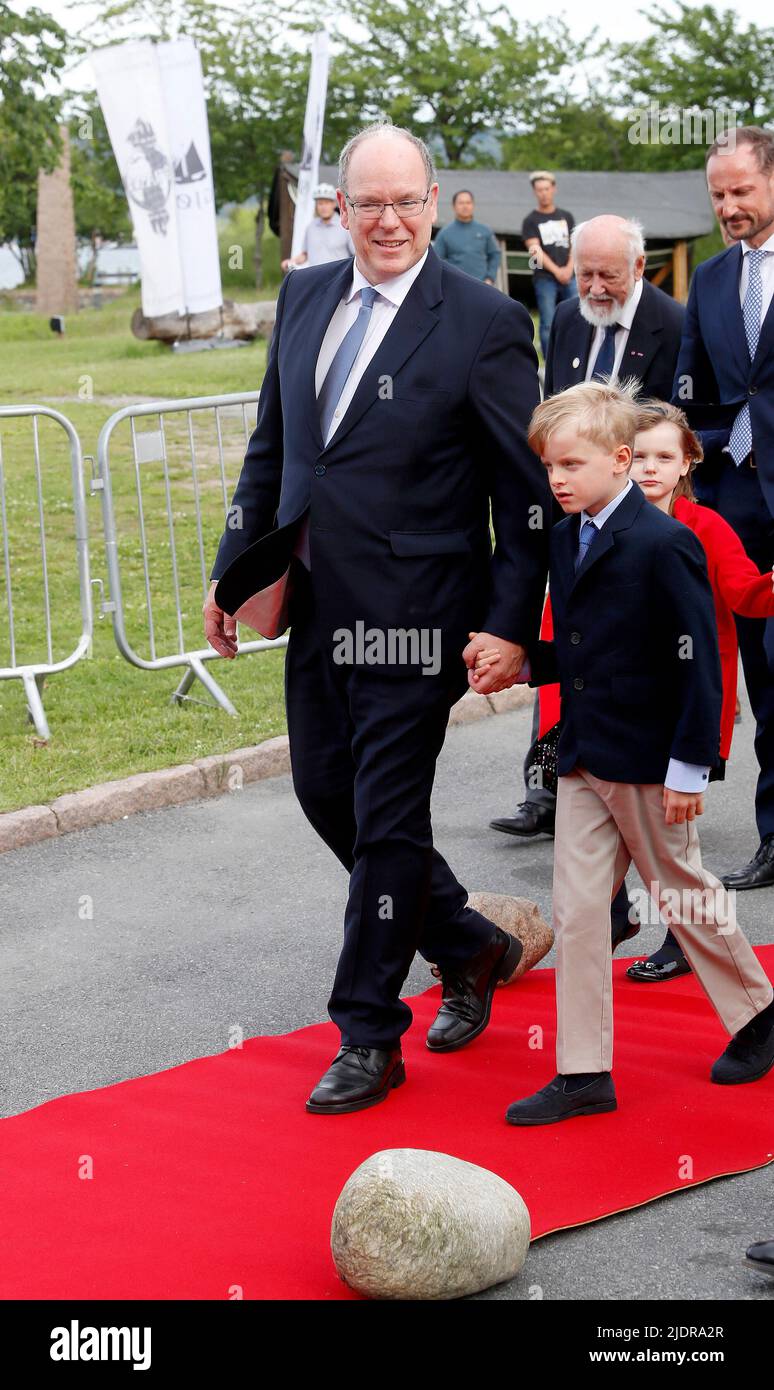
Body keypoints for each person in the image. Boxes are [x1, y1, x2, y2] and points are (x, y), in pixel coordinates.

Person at [203, 121, 550, 1116]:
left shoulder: (483, 321)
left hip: (420, 616)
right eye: (369, 203)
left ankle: (368, 1030)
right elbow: (274, 454)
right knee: (327, 796)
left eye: (407, 201)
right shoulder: (307, 294)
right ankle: (468, 938)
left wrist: (509, 623)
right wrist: (233, 574)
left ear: (434, 204)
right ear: (340, 209)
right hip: (316, 607)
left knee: (388, 815)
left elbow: (521, 494)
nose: (389, 220)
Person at [475, 380, 774, 1125]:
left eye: (571, 465)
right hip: (583, 754)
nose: (557, 480)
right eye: (548, 467)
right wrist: (522, 660)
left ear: (618, 458)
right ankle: (583, 1072)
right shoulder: (566, 532)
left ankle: (760, 1015)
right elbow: (582, 648)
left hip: (648, 756)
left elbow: (699, 662)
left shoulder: (664, 541)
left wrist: (688, 767)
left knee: (680, 889)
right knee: (578, 914)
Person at [491, 215, 685, 842]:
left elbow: (681, 424)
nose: (595, 287)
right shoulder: (570, 317)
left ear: (639, 269)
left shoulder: (673, 324)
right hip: (571, 517)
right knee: (563, 638)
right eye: (584, 273)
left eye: (609, 275)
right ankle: (546, 783)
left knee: (622, 653)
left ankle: (645, 783)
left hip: (640, 522)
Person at [624, 401, 774, 981]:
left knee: (673, 843)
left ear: (689, 461)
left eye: (665, 456)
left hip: (685, 704)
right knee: (610, 824)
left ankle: (690, 942)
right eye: (638, 456)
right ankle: (616, 911)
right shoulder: (597, 522)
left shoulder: (706, 527)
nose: (650, 468)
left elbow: (745, 596)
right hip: (616, 703)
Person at [673, 125, 774, 891]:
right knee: (763, 680)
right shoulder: (708, 280)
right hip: (733, 503)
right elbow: (692, 386)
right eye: (718, 194)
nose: (728, 206)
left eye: (741, 190)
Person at [522, 170, 577, 358]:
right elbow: (534, 250)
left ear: (553, 189)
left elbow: (575, 244)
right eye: (539, 190)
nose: (543, 193)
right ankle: (549, 360)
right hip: (544, 277)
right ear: (534, 192)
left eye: (546, 189)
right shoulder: (530, 220)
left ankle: (577, 353)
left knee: (579, 315)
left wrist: (569, 269)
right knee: (547, 320)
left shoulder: (566, 216)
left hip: (570, 274)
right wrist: (557, 271)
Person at [432, 190, 500, 284]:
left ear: (473, 205)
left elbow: (495, 254)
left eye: (468, 202)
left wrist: (490, 278)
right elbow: (436, 261)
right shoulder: (445, 233)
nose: (465, 206)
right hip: (455, 286)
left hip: (482, 286)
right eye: (461, 203)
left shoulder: (485, 231)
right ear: (453, 206)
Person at [281, 183, 354, 270]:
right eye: (320, 203)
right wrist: (291, 261)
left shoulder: (345, 226)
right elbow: (305, 255)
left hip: (339, 279)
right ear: (316, 206)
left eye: (327, 203)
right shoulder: (311, 227)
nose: (323, 207)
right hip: (315, 279)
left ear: (334, 204)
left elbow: (355, 255)